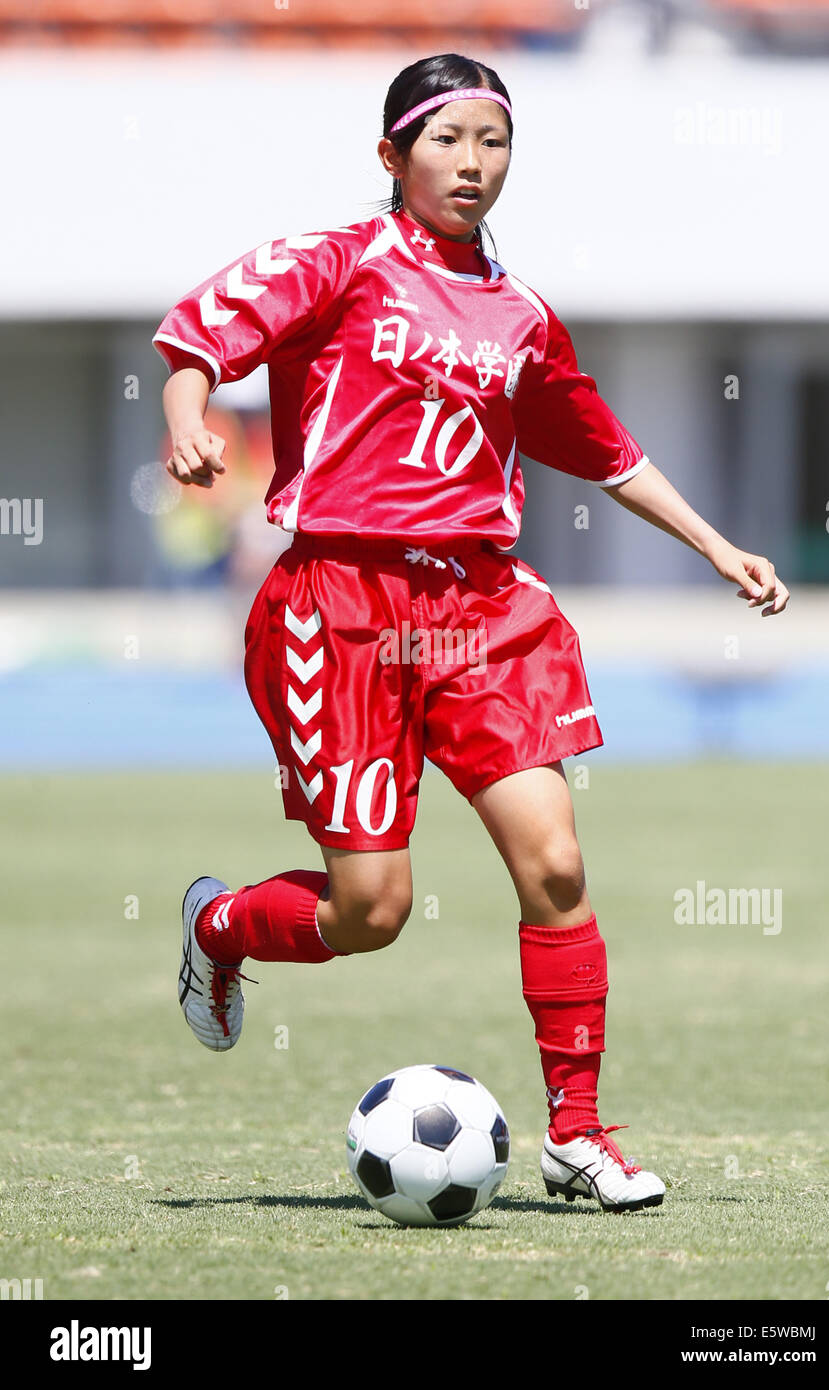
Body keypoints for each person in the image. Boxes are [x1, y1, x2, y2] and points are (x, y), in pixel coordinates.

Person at [154, 53, 789, 1214]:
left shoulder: (519, 313)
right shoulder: (337, 261)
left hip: (478, 611)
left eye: (494, 142)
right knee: (371, 913)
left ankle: (578, 1135)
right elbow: (201, 339)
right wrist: (189, 422)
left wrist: (713, 545)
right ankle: (219, 924)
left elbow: (603, 448)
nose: (473, 164)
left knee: (552, 862)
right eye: (446, 140)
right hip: (337, 606)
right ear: (392, 154)